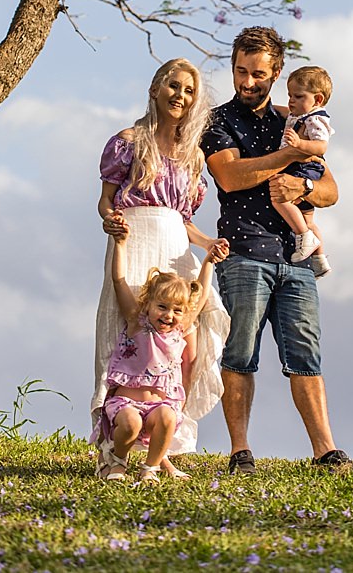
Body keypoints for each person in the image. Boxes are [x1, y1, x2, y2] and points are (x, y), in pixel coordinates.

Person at [203, 26, 353, 474]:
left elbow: (330, 190)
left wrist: (302, 186)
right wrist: (289, 158)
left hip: (296, 256)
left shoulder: (298, 118)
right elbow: (231, 177)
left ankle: (326, 451)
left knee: (305, 354)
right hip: (244, 251)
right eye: (240, 71)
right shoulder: (217, 122)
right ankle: (240, 451)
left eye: (258, 74)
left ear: (277, 73)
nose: (247, 82)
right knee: (240, 352)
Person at [91, 58, 233, 477]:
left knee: (186, 343)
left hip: (174, 246)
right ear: (156, 88)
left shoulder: (192, 156)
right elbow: (106, 201)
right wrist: (110, 221)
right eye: (174, 86)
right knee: (127, 334)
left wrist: (209, 243)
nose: (180, 96)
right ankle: (113, 444)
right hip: (134, 239)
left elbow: (183, 219)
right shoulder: (128, 141)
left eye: (189, 91)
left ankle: (162, 441)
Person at [95, 230, 221, 483]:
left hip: (158, 406)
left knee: (168, 417)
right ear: (148, 304)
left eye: (176, 310)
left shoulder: (179, 331)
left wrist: (208, 261)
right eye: (162, 307)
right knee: (130, 424)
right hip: (126, 404)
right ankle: (118, 460)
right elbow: (119, 280)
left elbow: (201, 296)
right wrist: (120, 244)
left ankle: (150, 467)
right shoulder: (136, 323)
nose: (168, 315)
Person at [276, 65, 335, 274]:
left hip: (304, 167)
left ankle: (303, 236)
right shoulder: (300, 114)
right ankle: (319, 260)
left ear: (317, 99)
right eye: (290, 95)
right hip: (304, 167)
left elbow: (321, 146)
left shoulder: (314, 119)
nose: (291, 101)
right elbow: (282, 111)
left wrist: (299, 144)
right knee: (308, 217)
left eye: (298, 96)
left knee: (280, 198)